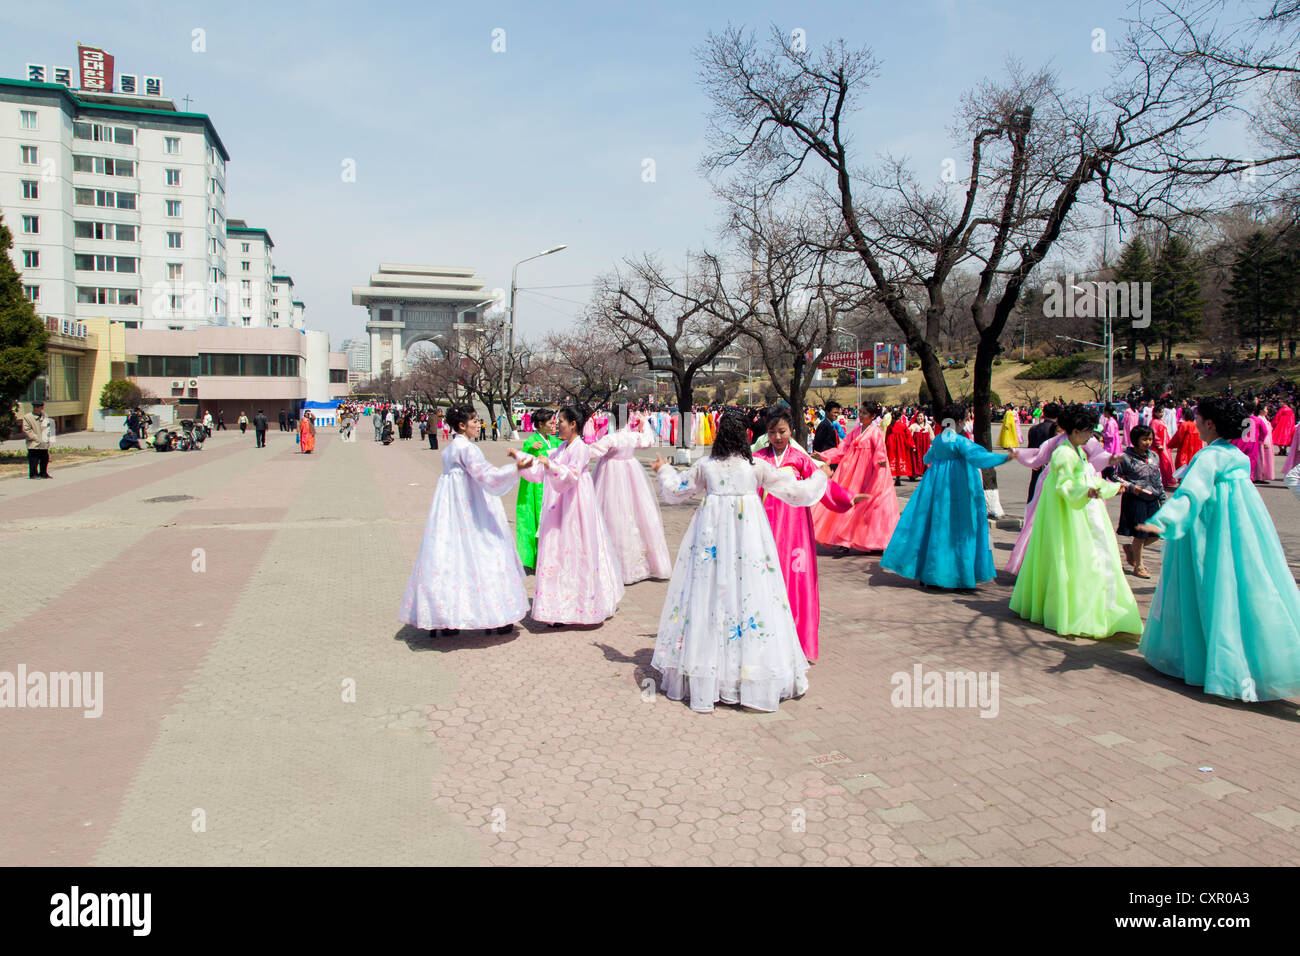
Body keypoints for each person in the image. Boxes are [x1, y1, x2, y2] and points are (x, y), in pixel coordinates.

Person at [649, 412, 829, 712]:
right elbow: (795, 492)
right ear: (746, 435)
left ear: (720, 435)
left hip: (711, 544)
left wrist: (664, 470)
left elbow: (677, 490)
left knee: (711, 597)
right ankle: (750, 671)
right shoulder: (756, 467)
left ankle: (710, 671)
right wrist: (821, 475)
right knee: (751, 597)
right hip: (749, 542)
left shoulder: (706, 466)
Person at [1137, 397, 1300, 701]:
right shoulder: (1236, 455)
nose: (1196, 424)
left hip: (1209, 531)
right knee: (1246, 587)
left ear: (1210, 423)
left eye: (1199, 419)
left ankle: (1203, 660)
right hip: (1240, 531)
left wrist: (1163, 520)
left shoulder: (1209, 456)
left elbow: (1191, 493)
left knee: (1207, 589)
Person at [1009, 404, 1142, 638]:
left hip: (1078, 506)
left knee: (1080, 555)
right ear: (1076, 430)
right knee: (1072, 555)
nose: (1091, 436)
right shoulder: (1062, 452)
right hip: (1067, 509)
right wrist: (1089, 491)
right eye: (1088, 431)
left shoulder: (1077, 449)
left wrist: (1112, 486)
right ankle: (1070, 607)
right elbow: (1065, 485)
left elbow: (1085, 476)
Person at [398, 405, 529, 637]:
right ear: (462, 425)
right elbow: (486, 475)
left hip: (450, 510)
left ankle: (447, 618)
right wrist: (515, 469)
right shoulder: (468, 449)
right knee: (488, 552)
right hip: (472, 508)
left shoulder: (451, 448)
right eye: (475, 421)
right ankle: (496, 614)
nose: (478, 425)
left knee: (450, 557)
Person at [511, 405, 624, 626]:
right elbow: (542, 465)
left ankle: (579, 605)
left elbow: (570, 476)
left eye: (561, 421)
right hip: (560, 504)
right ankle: (558, 607)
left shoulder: (580, 448)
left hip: (576, 505)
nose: (557, 425)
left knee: (575, 548)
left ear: (573, 425)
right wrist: (522, 457)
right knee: (557, 551)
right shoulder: (562, 446)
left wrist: (551, 466)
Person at [880, 404, 1013, 589]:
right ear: (958, 421)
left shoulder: (939, 440)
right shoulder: (960, 441)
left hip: (935, 486)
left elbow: (927, 458)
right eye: (965, 419)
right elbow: (978, 457)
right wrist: (1004, 458)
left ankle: (930, 572)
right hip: (958, 487)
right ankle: (957, 574)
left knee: (936, 526)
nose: (966, 422)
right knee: (958, 528)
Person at [588, 412, 672, 585]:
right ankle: (644, 564)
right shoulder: (633, 437)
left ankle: (614, 563)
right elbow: (648, 440)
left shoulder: (610, 439)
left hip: (610, 475)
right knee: (637, 512)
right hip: (631, 472)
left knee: (612, 513)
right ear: (627, 419)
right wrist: (644, 423)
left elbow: (591, 452)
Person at [810, 400, 900, 552]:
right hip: (853, 472)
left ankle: (874, 541)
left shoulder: (875, 432)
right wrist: (824, 456)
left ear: (873, 416)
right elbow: (842, 449)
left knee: (870, 506)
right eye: (861, 412)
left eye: (865, 413)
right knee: (849, 503)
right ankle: (844, 540)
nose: (861, 415)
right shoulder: (856, 432)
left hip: (870, 473)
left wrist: (880, 461)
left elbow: (880, 451)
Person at [1113, 424, 1165, 578]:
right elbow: (1115, 476)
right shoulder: (1125, 457)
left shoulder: (1154, 456)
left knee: (1157, 532)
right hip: (1135, 499)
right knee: (1141, 534)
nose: (1148, 442)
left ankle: (1132, 549)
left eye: (1150, 439)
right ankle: (1139, 566)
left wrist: (1162, 497)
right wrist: (1131, 486)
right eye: (1144, 439)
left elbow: (1158, 478)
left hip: (1152, 498)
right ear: (1135, 440)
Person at [515, 409, 561, 570]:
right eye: (550, 423)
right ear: (540, 424)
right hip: (535, 487)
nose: (554, 425)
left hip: (550, 484)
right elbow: (522, 458)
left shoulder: (554, 441)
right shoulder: (531, 440)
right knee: (534, 519)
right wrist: (530, 449)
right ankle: (533, 558)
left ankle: (550, 556)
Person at [1024, 402, 1060, 501]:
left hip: (1037, 466)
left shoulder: (1034, 429)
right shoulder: (1059, 431)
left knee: (1035, 496)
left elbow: (1030, 450)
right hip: (1053, 468)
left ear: (1044, 413)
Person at [22, 401, 52, 479]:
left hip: (44, 443)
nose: (35, 408)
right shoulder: (27, 417)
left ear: (42, 408)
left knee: (44, 459)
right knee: (34, 460)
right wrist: (36, 438)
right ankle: (33, 474)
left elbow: (48, 428)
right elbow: (26, 430)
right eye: (34, 407)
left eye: (38, 407)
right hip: (33, 443)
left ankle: (43, 473)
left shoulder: (45, 416)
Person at [1167, 404, 1202, 470]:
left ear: (1184, 415)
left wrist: (1169, 445)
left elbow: (1178, 438)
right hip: (1195, 450)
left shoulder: (1184, 425)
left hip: (1185, 451)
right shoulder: (1196, 425)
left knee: (1182, 470)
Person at [885, 411, 914, 485]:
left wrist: (886, 445)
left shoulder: (890, 426)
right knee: (900, 460)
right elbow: (908, 436)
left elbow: (887, 436)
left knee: (892, 459)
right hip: (901, 446)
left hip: (892, 446)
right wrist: (912, 445)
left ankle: (890, 478)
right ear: (900, 417)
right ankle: (898, 477)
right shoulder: (903, 426)